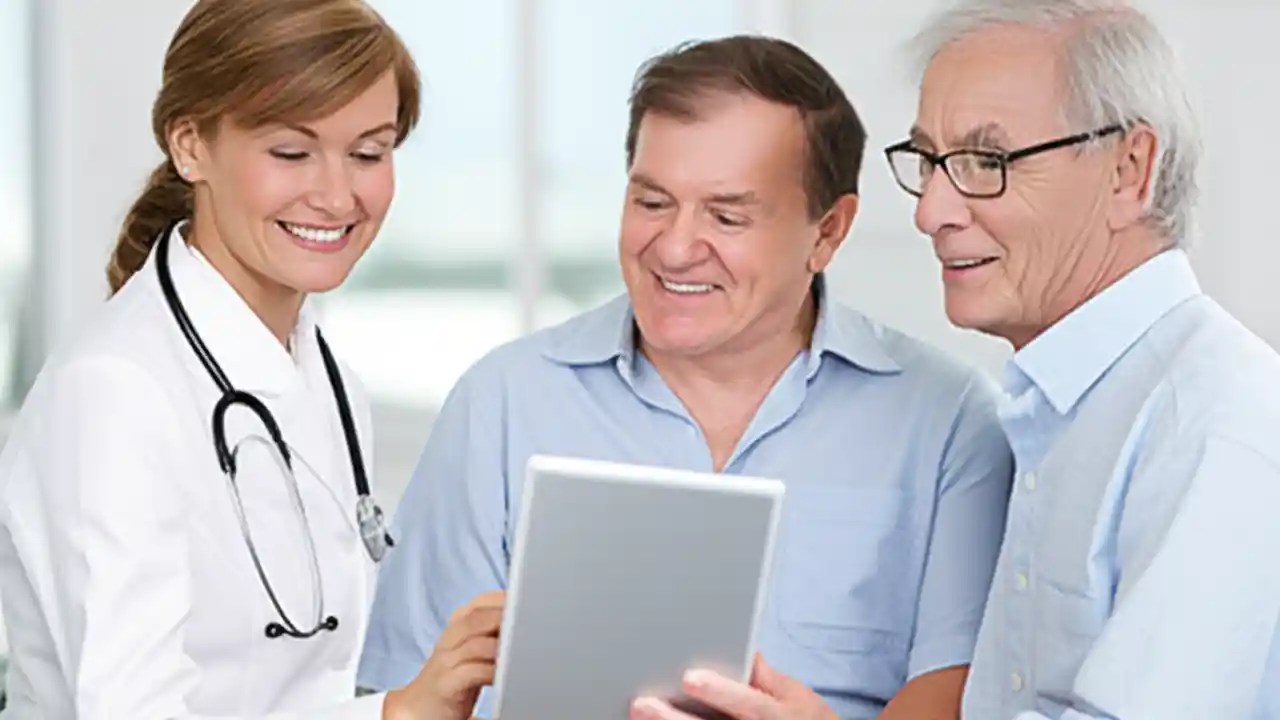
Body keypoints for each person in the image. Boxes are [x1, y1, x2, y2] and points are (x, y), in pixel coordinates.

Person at [359, 36, 1013, 720]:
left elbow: (958, 696)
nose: (673, 247)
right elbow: (410, 692)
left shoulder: (950, 422)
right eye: (651, 203)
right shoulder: (500, 404)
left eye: (727, 216)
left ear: (828, 232)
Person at [0, 1, 502, 717]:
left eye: (369, 152)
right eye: (291, 152)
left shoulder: (323, 374)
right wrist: (397, 714)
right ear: (189, 145)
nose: (336, 195)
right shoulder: (114, 392)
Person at [885, 1, 1280, 718]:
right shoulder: (1058, 410)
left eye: (985, 161)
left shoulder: (1213, 421)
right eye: (929, 161)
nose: (931, 209)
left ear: (1130, 170)